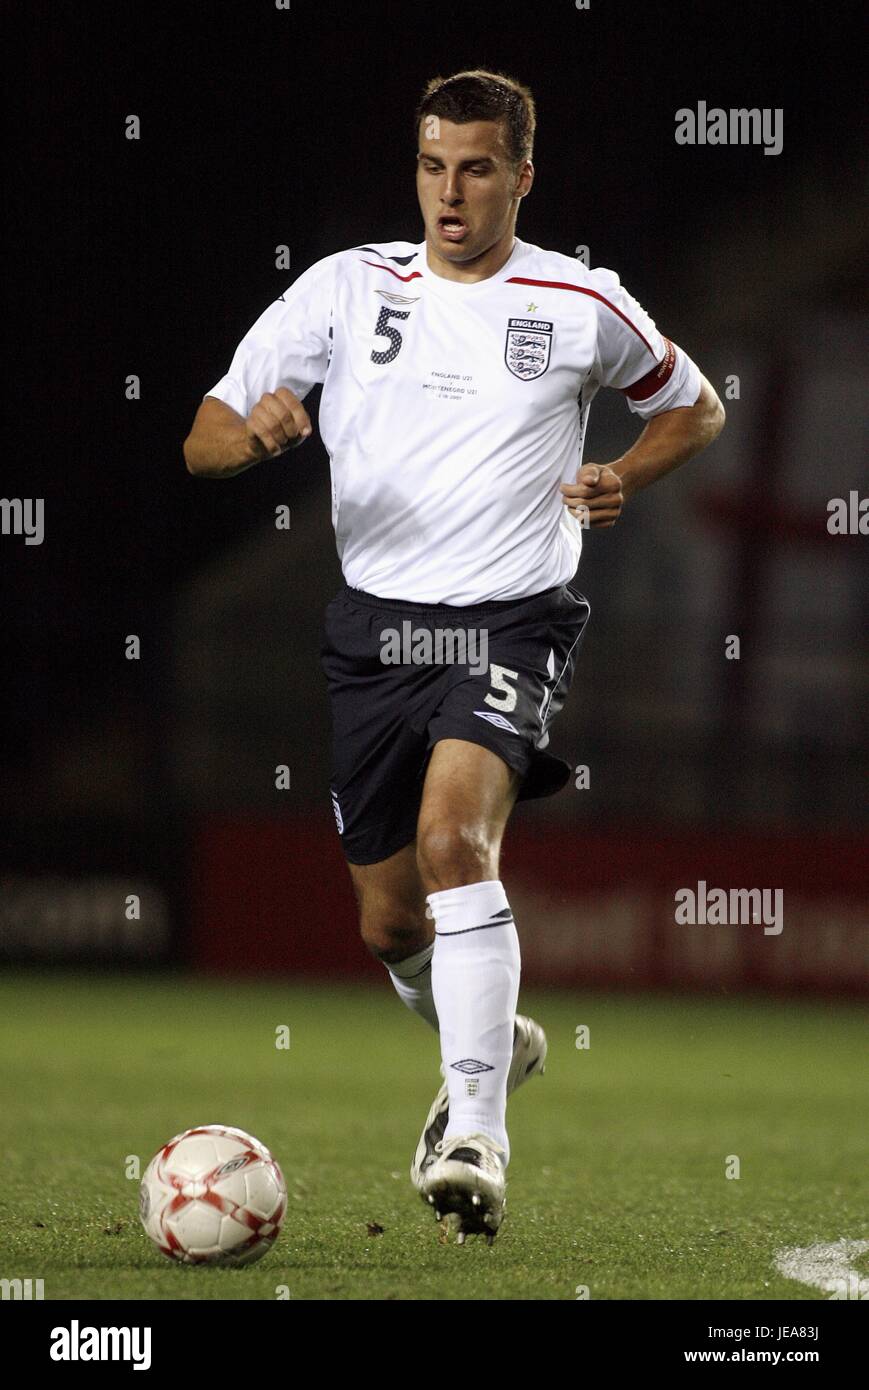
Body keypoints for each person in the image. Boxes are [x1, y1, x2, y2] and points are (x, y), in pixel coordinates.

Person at [182, 68, 725, 1245]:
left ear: (520, 177)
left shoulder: (579, 302)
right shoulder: (342, 289)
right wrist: (257, 433)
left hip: (509, 621)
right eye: (432, 165)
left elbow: (693, 407)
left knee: (451, 844)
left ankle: (473, 1128)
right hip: (372, 633)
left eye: (476, 168)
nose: (449, 191)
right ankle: (493, 1042)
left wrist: (616, 476)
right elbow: (204, 433)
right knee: (386, 923)